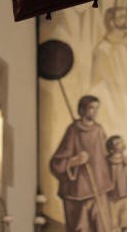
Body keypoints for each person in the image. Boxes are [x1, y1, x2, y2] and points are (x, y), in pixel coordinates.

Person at [50, 95, 113, 232]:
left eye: (96, 108)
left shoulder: (99, 130)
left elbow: (106, 155)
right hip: (78, 191)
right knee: (81, 227)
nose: (95, 112)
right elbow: (56, 163)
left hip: (99, 187)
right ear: (82, 110)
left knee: (103, 226)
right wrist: (74, 161)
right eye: (91, 108)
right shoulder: (73, 130)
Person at [91, 5, 127, 112]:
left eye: (126, 16)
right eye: (121, 17)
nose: (125, 20)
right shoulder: (103, 48)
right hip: (116, 100)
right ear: (111, 22)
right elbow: (101, 82)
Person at [106, 135, 127, 232]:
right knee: (113, 226)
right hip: (112, 199)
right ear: (111, 150)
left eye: (121, 142)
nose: (121, 144)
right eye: (117, 143)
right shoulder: (106, 163)